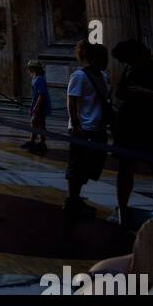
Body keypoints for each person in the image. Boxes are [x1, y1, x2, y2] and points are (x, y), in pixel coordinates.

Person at [111, 38, 153, 227]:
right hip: (129, 125)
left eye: (129, 59)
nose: (127, 64)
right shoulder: (130, 68)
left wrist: (144, 92)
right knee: (125, 169)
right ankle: (122, 208)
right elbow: (120, 93)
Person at [65, 39, 113, 220]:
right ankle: (72, 200)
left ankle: (76, 197)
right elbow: (71, 100)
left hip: (98, 128)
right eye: (103, 57)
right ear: (93, 58)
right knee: (77, 165)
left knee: (91, 166)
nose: (106, 61)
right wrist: (76, 124)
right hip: (83, 127)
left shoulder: (103, 76)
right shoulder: (79, 75)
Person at [21, 60, 51, 153]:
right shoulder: (35, 77)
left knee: (40, 124)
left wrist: (36, 107)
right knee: (34, 123)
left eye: (30, 67)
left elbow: (41, 95)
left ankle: (42, 143)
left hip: (40, 104)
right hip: (36, 103)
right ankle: (32, 141)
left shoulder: (40, 79)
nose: (28, 69)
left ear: (34, 68)